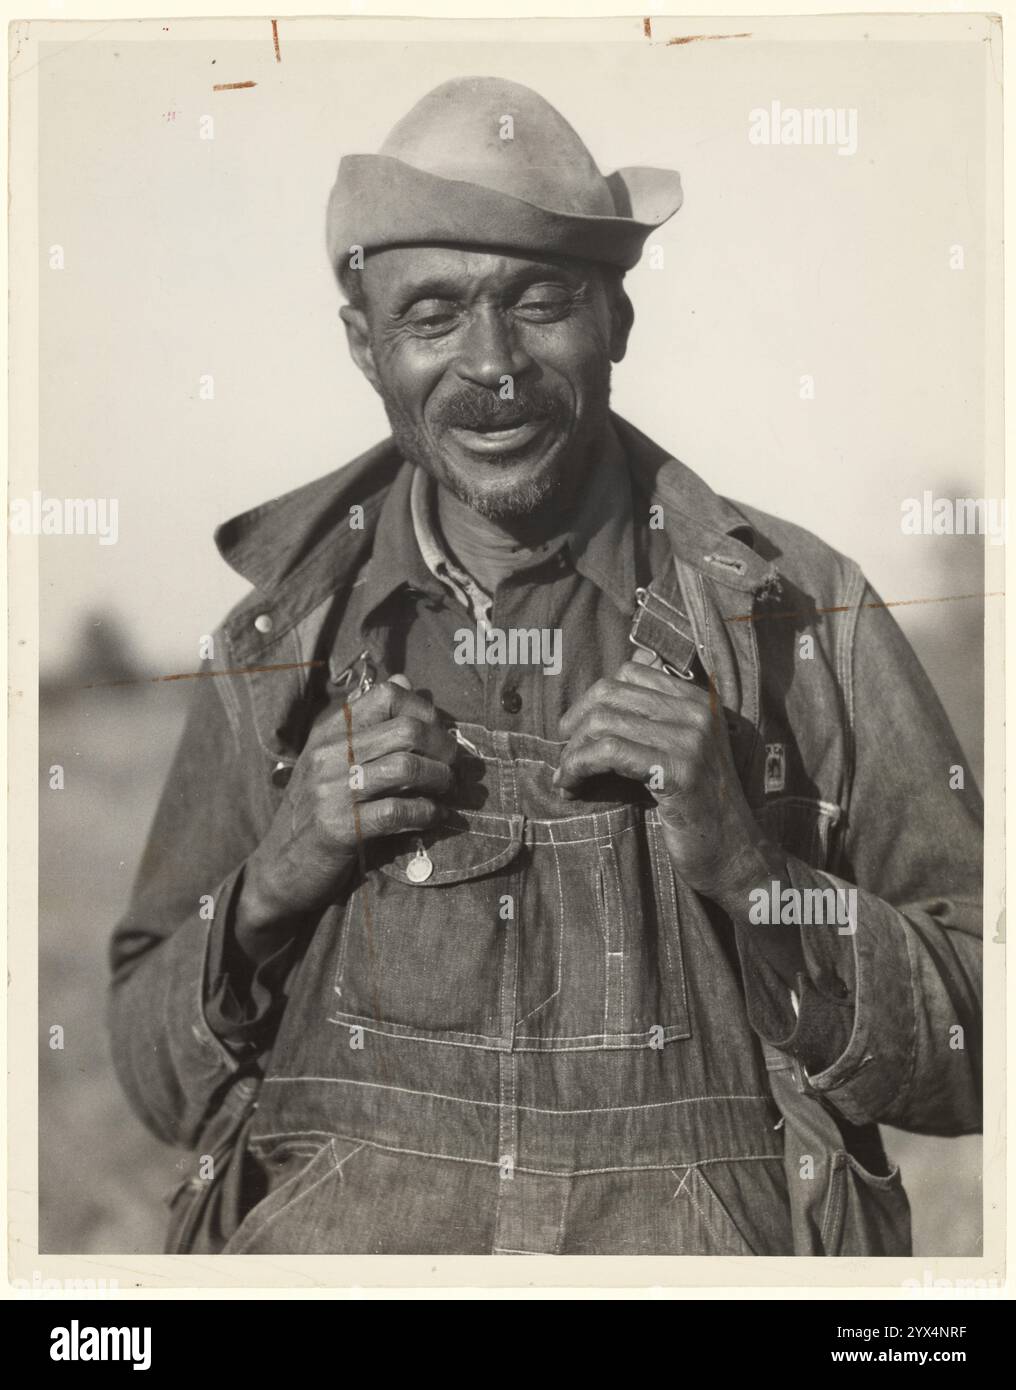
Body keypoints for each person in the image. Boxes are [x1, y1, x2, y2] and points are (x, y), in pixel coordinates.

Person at [109, 77, 982, 1256]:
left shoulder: (796, 619)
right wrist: (272, 880)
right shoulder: (278, 643)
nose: (493, 363)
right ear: (365, 343)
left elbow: (981, 1049)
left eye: (538, 300)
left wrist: (753, 869)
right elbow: (152, 1070)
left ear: (616, 318)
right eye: (432, 315)